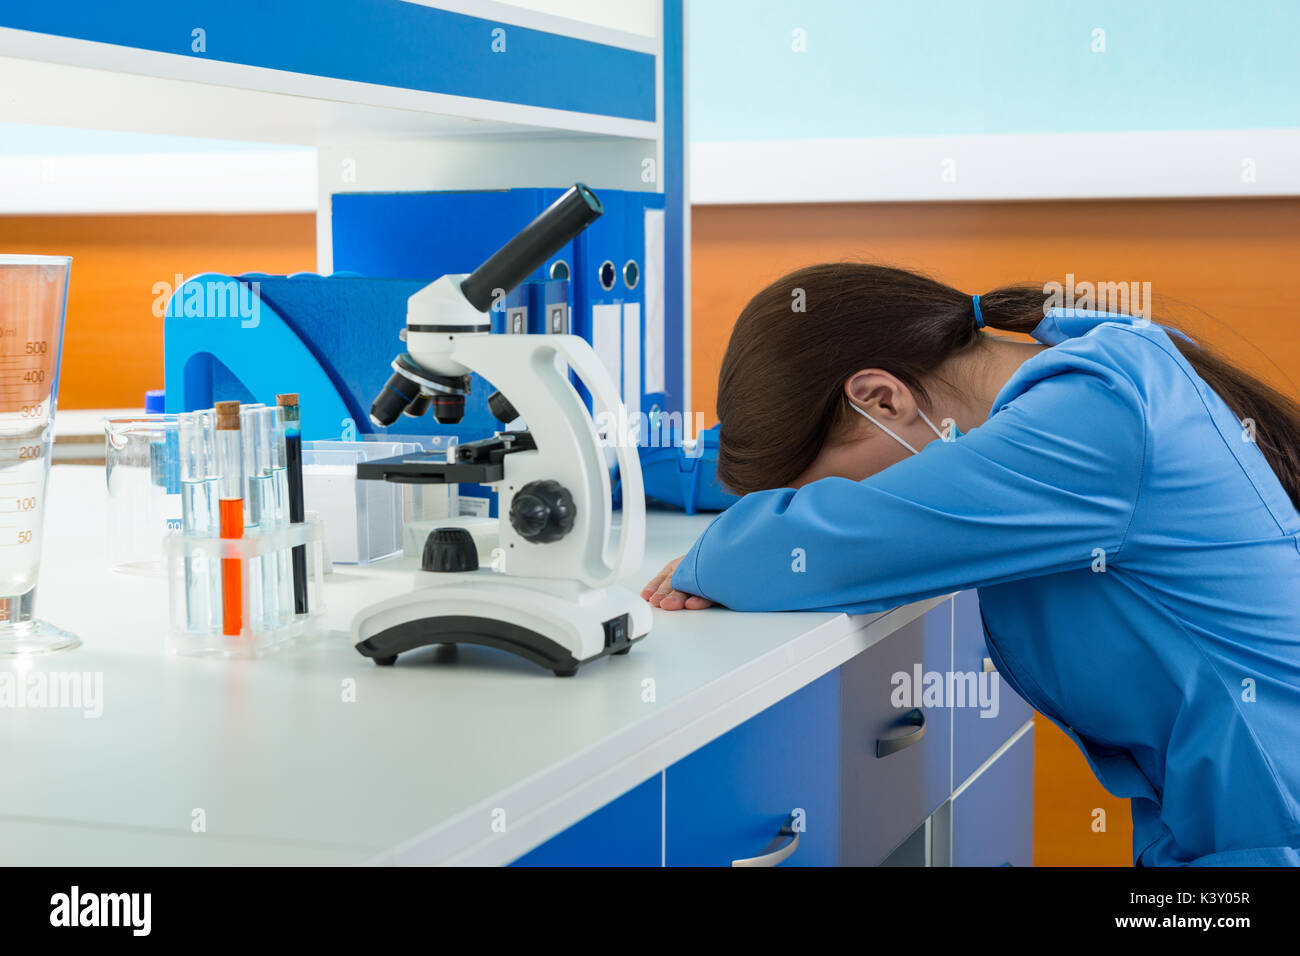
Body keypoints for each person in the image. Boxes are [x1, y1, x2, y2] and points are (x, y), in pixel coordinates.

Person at [641, 263, 1300, 866]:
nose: (836, 502)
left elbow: (827, 542)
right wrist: (619, 466)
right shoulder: (1095, 365)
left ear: (880, 398)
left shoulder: (1092, 419)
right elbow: (796, 471)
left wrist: (707, 559)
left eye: (820, 491)